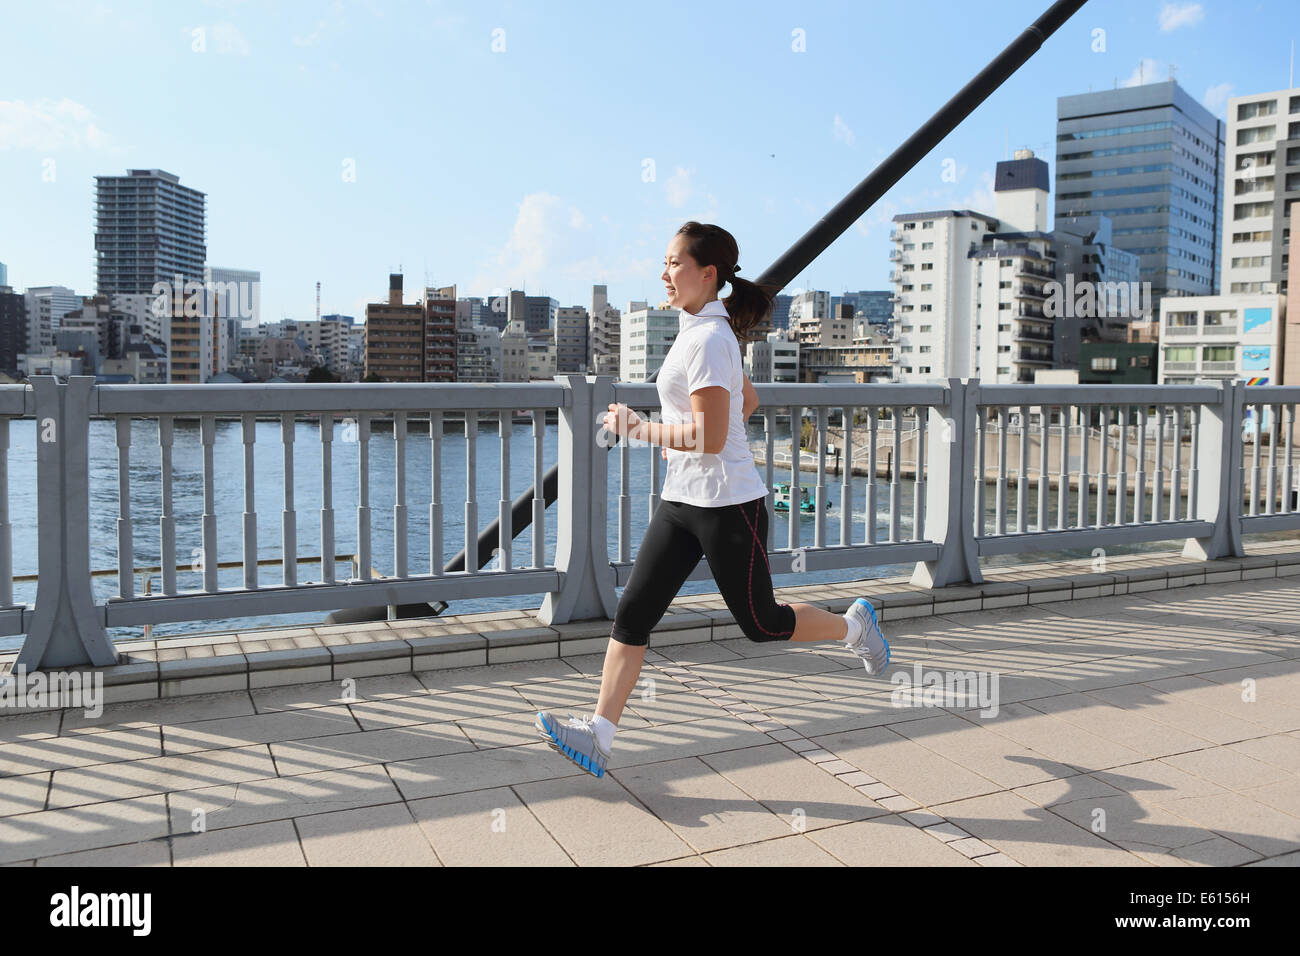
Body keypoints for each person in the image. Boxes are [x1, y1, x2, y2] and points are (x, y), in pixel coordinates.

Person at [536, 221, 888, 778]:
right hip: (682, 500)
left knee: (763, 623)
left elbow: (711, 434)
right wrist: (691, 449)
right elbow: (742, 401)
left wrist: (640, 428)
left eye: (674, 263)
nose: (664, 273)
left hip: (730, 506)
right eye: (665, 262)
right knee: (633, 612)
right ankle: (599, 736)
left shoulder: (709, 338)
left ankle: (855, 628)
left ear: (709, 274)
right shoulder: (700, 328)